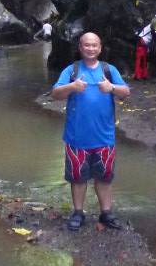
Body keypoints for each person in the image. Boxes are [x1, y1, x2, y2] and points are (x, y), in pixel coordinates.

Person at [51, 31, 130, 231]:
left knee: (104, 178)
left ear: (100, 48)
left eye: (94, 45)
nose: (91, 48)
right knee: (78, 179)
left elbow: (126, 92)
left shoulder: (109, 70)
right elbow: (55, 94)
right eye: (87, 45)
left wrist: (111, 88)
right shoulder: (72, 70)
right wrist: (72, 86)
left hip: (104, 137)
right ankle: (78, 212)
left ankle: (106, 213)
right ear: (80, 47)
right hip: (76, 137)